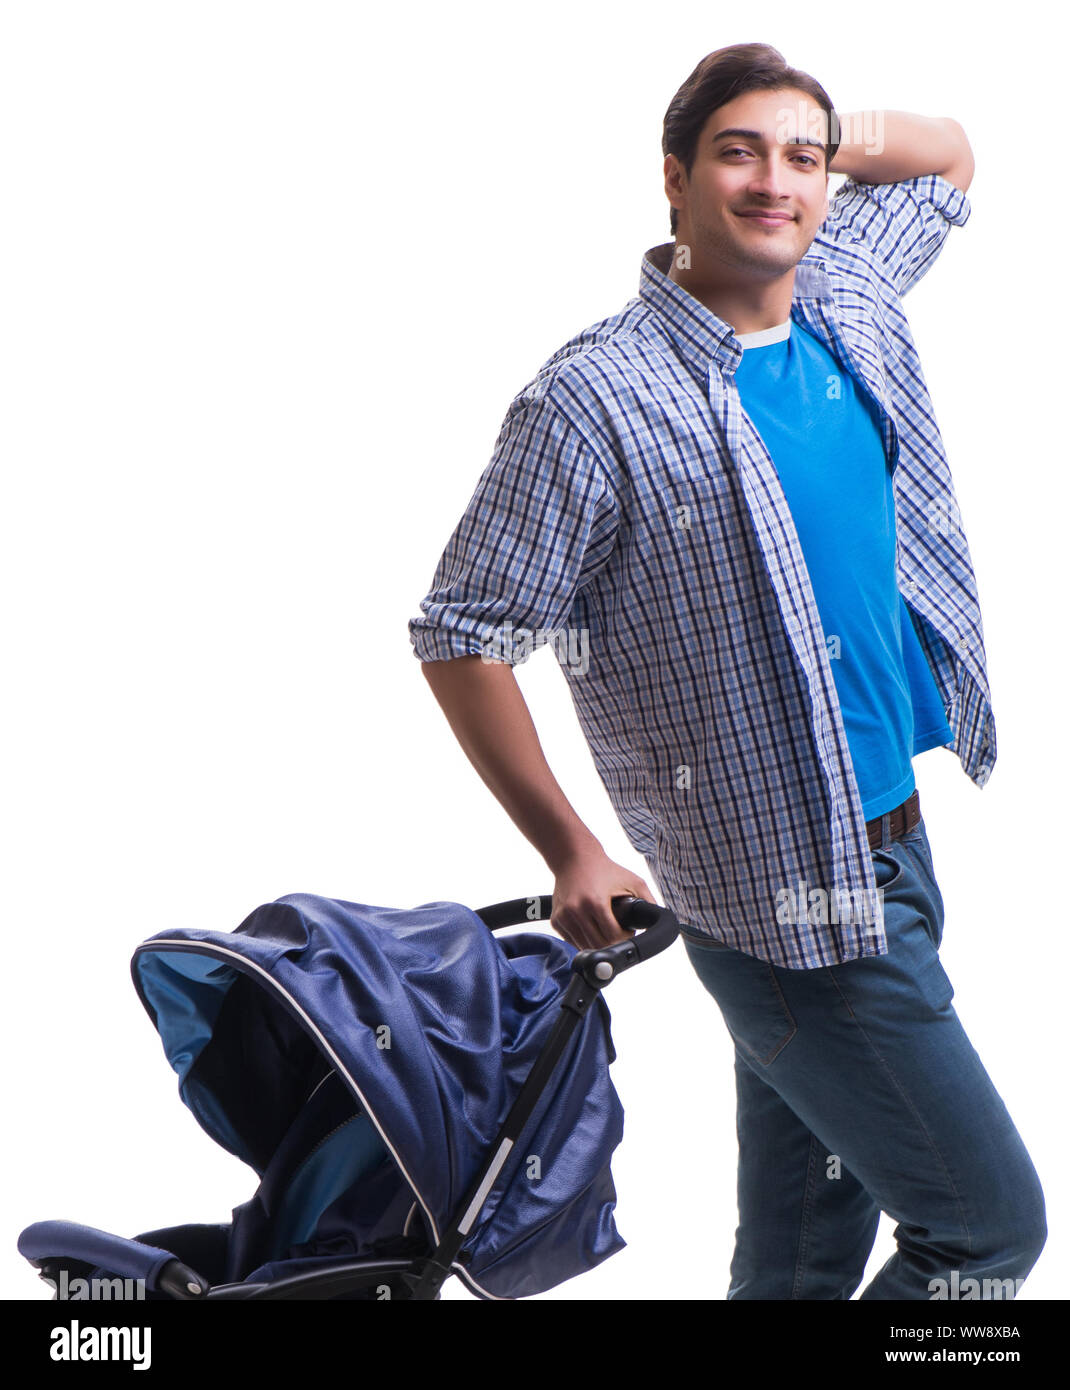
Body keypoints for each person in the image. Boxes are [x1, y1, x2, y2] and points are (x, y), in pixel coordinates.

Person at [407, 42, 1046, 1299]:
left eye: (798, 160)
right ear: (672, 177)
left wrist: (816, 137)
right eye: (735, 153)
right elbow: (462, 629)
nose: (774, 184)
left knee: (802, 1250)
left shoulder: (846, 292)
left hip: (891, 846)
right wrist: (570, 850)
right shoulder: (594, 401)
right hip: (775, 896)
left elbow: (950, 151)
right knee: (982, 1237)